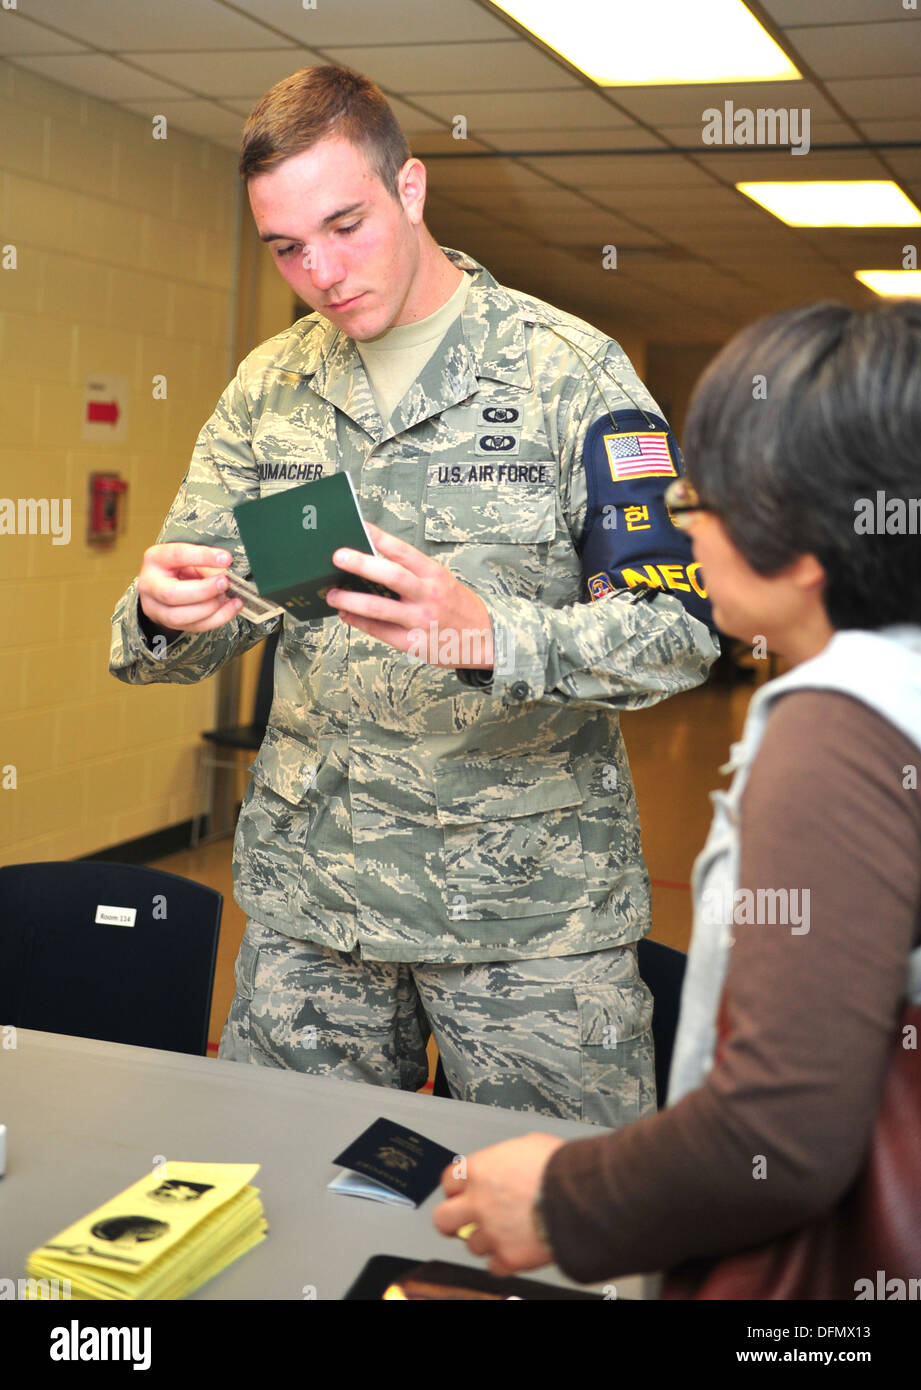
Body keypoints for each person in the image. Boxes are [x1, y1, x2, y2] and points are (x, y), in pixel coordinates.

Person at [109, 65, 716, 1127]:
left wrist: (494, 634)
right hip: (316, 916)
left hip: (531, 925)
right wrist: (165, 614)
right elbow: (186, 614)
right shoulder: (269, 387)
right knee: (282, 1209)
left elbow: (679, 631)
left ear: (413, 190)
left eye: (347, 225)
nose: (324, 273)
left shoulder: (570, 373)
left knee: (562, 1242)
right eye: (288, 248)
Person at [433, 299, 921, 1284]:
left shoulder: (838, 735)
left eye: (704, 494)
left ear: (805, 537)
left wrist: (562, 1196)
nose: (681, 522)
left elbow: (779, 1133)